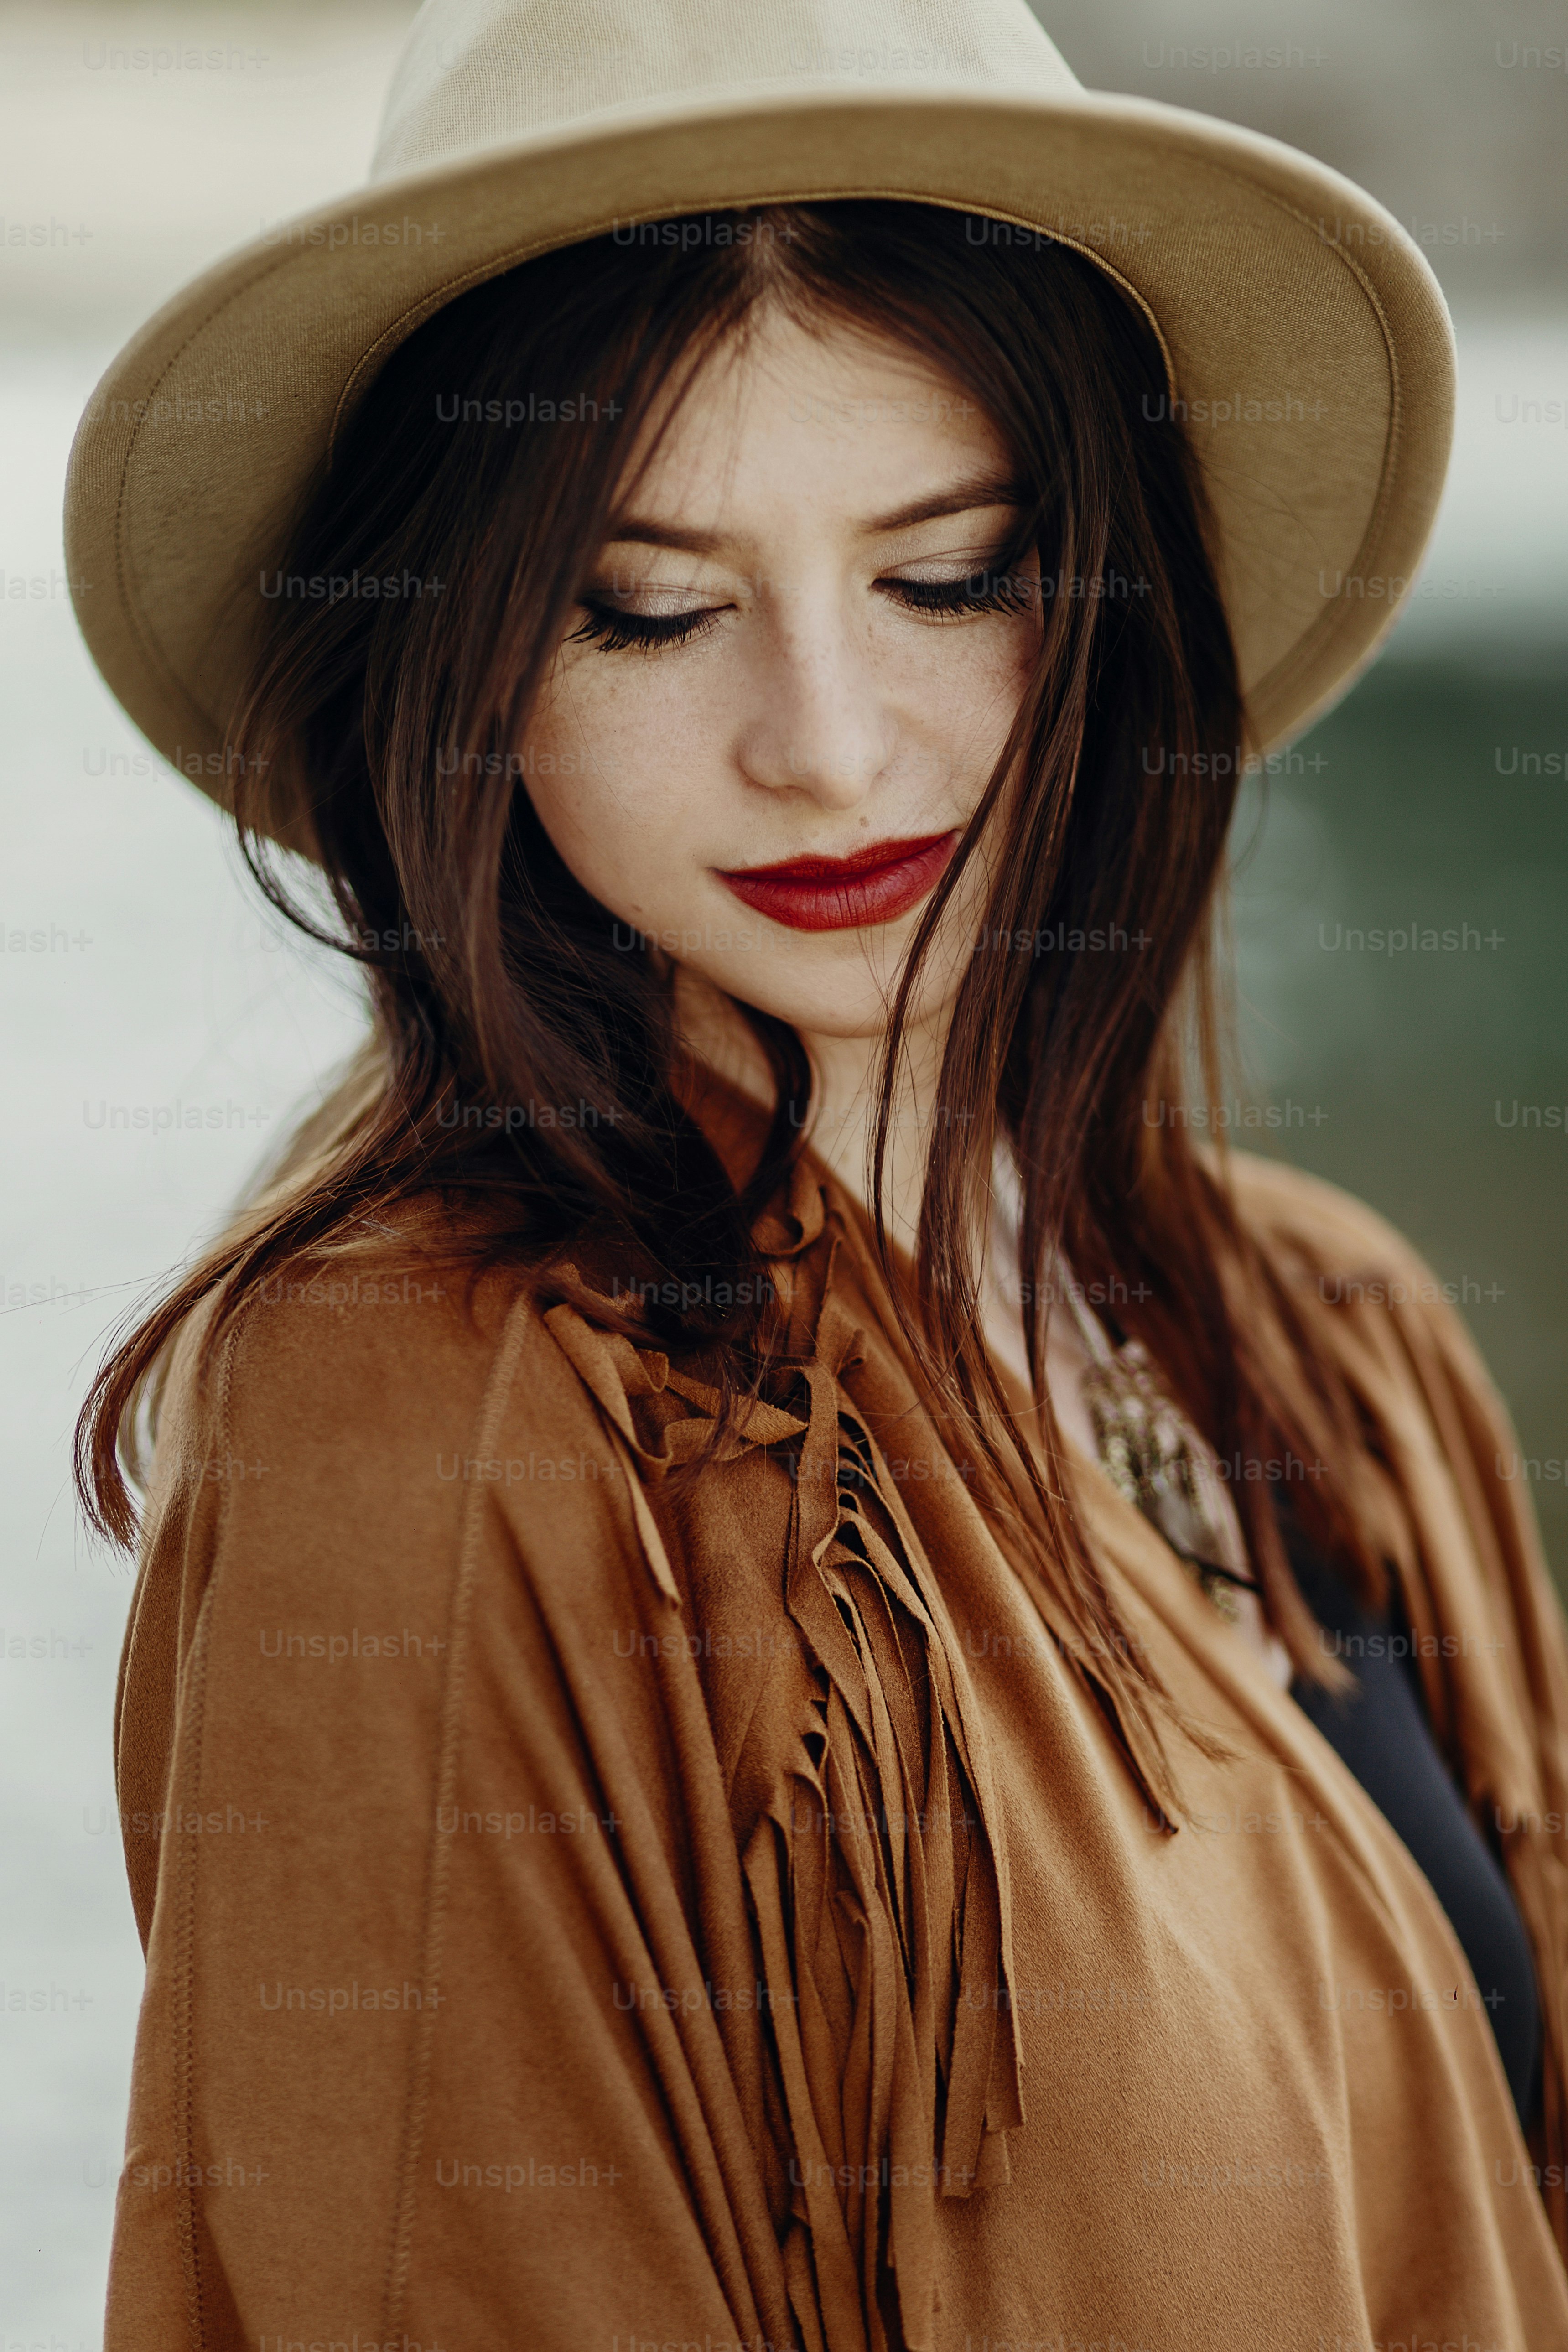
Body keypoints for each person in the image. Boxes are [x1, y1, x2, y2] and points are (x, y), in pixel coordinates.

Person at [67, 2, 1568, 2346]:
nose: (828, 746)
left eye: (949, 574)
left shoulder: (1323, 1342)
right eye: (645, 606)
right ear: (464, 666)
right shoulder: (427, 1421)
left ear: (1111, 591)